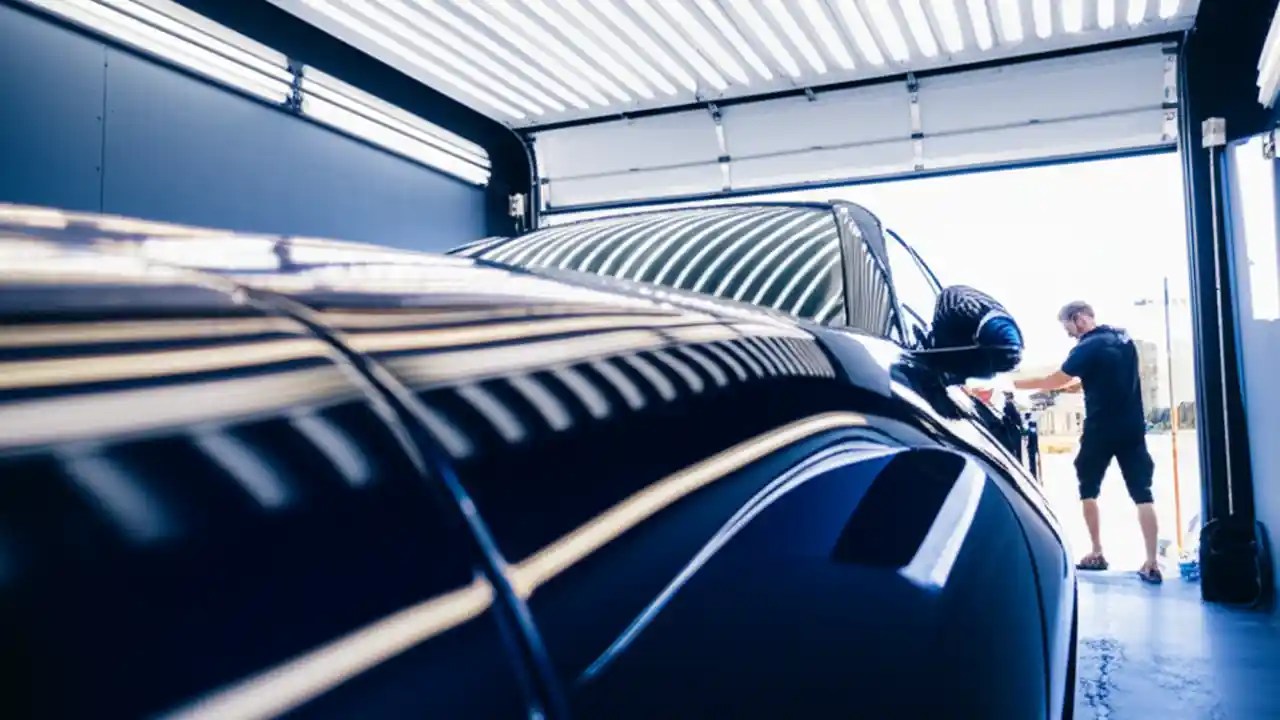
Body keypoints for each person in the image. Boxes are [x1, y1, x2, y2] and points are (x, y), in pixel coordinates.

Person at [1012, 301, 1162, 584]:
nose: (1068, 333)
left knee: (1088, 488)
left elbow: (1054, 379)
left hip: (1100, 429)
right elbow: (1098, 379)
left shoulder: (1086, 346)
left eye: (1067, 326)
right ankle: (1152, 562)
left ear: (1079, 319)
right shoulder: (1123, 339)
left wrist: (1012, 385)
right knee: (1143, 492)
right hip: (1132, 428)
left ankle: (1096, 552)